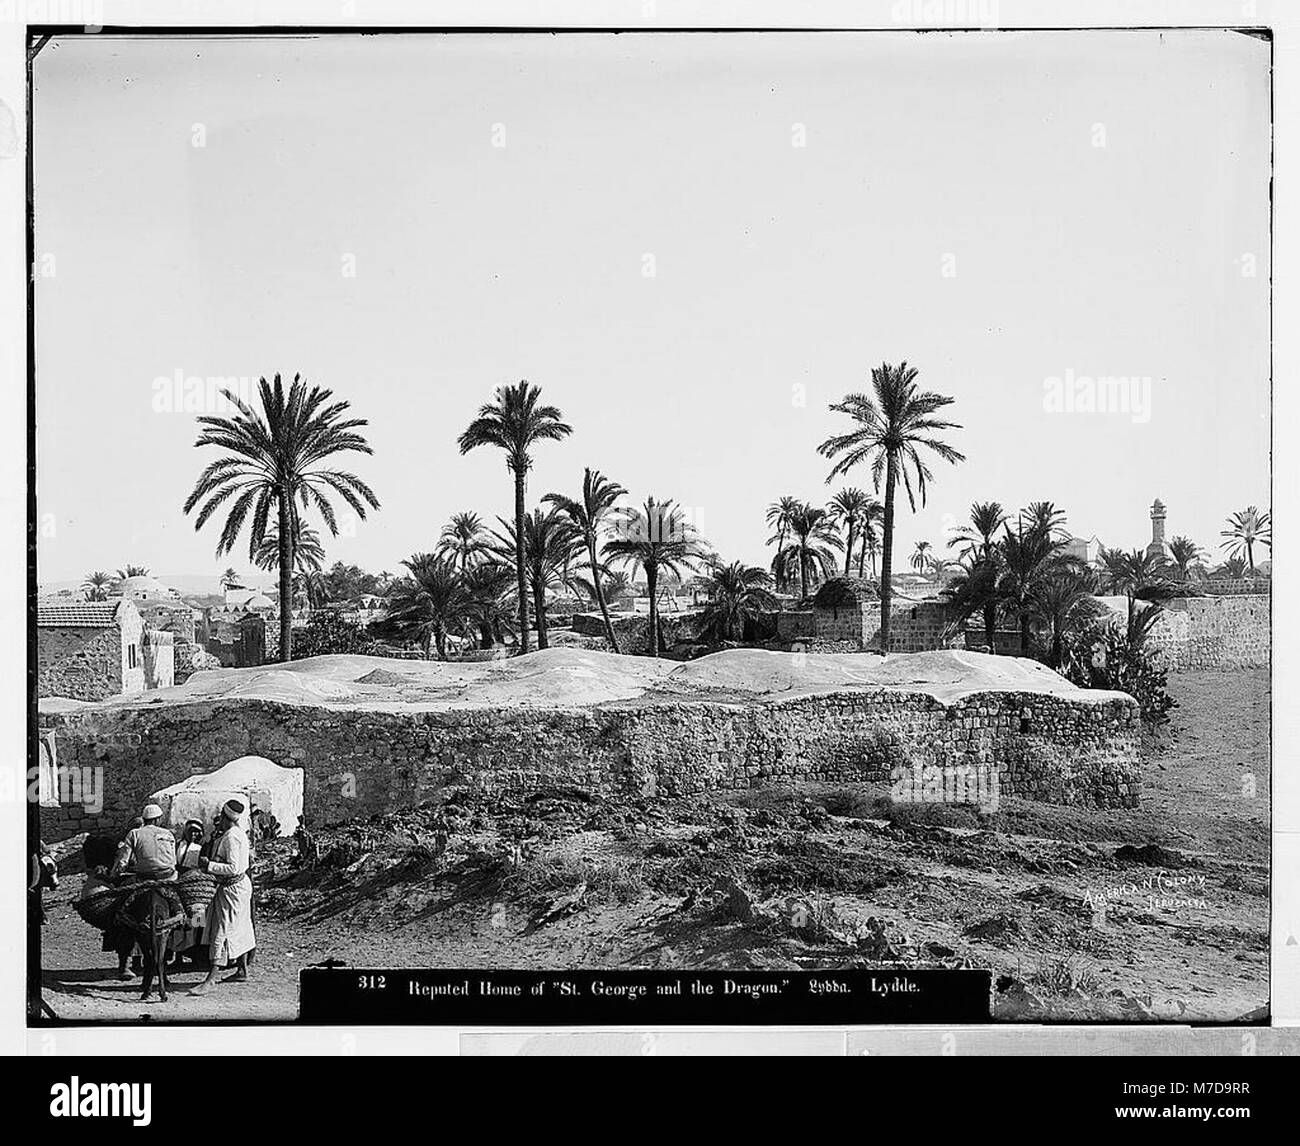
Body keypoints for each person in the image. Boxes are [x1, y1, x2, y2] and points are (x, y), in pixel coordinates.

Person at [189, 799, 255, 995]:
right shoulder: (236, 834)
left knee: (222, 930)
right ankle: (242, 969)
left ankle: (210, 979)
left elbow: (233, 867)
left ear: (226, 819)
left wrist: (209, 865)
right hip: (238, 887)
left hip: (232, 889)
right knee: (241, 926)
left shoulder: (232, 837)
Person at [169, 820, 208, 962]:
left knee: (198, 919)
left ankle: (195, 954)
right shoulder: (179, 845)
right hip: (180, 884)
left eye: (197, 831)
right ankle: (178, 955)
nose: (194, 834)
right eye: (191, 831)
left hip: (196, 888)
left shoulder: (203, 847)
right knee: (180, 919)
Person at [109, 804, 177, 882]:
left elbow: (123, 862)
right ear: (158, 820)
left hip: (145, 876)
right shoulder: (168, 833)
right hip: (168, 875)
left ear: (144, 819)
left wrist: (117, 873)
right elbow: (174, 861)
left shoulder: (134, 833)